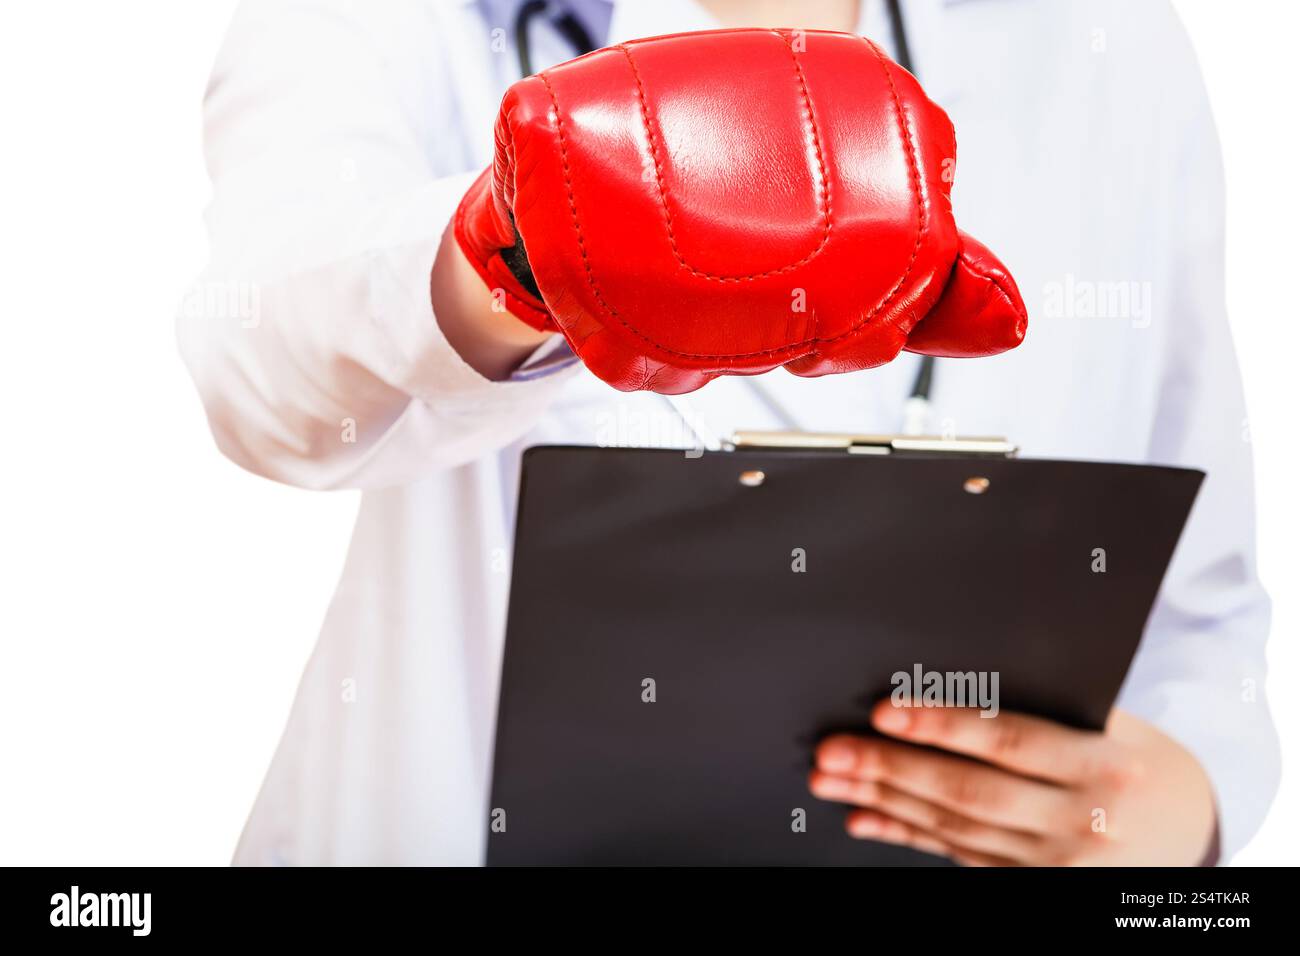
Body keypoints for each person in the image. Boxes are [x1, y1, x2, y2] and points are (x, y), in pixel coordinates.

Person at [179, 0, 1278, 865]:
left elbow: (1202, 610)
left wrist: (1187, 809)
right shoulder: (403, 19)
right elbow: (263, 370)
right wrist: (511, 255)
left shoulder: (1107, 41)